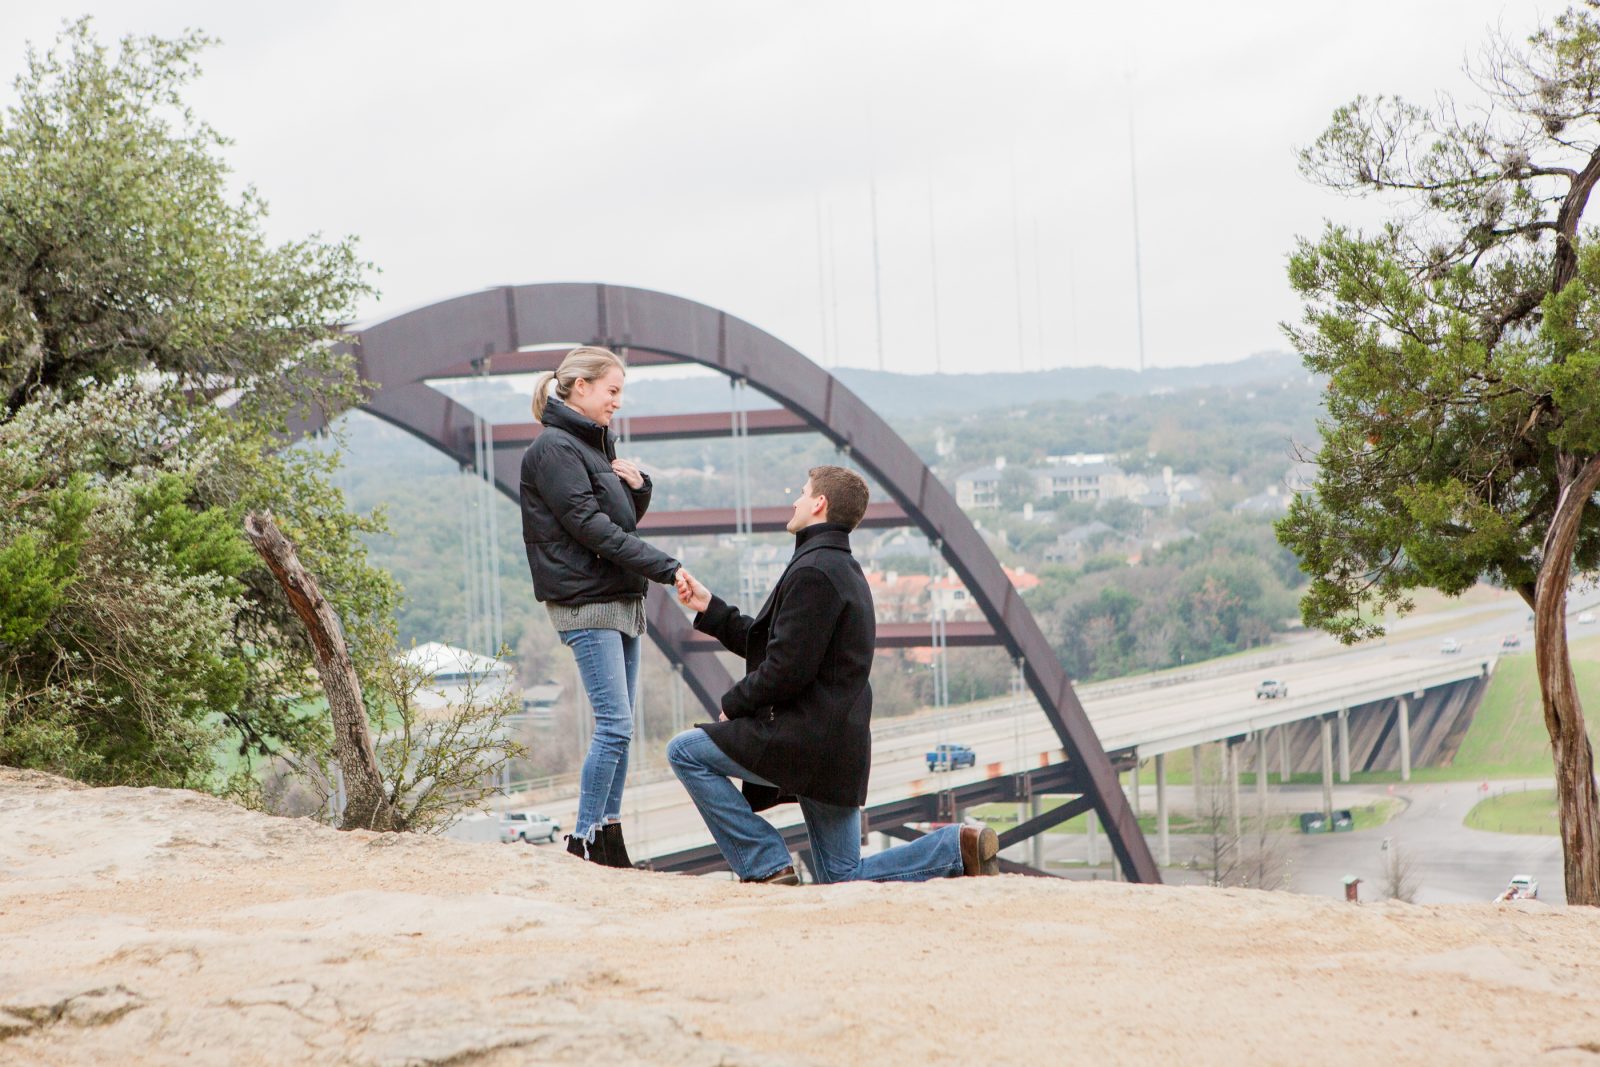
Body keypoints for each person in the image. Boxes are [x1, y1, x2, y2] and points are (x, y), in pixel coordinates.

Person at [667, 465, 999, 884]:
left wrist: (733, 705)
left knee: (685, 751)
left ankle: (766, 863)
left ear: (819, 503)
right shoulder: (838, 567)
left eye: (802, 493)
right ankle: (955, 846)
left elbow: (786, 668)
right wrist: (710, 608)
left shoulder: (814, 571)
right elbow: (783, 646)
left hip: (804, 742)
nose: (795, 501)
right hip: (835, 748)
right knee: (842, 877)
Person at [521, 346, 680, 868]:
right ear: (581, 387)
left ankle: (608, 837)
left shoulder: (592, 446)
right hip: (587, 601)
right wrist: (666, 567)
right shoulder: (554, 449)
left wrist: (639, 487)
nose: (618, 402)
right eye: (612, 390)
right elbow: (589, 528)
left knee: (622, 729)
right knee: (614, 725)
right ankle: (584, 839)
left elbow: (617, 521)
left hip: (616, 598)